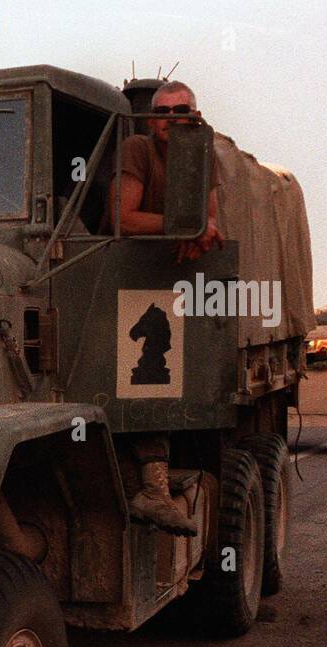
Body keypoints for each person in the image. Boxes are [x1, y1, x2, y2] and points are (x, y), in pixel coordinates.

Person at [107, 80, 224, 537]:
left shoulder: (200, 155)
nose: (171, 119)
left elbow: (211, 221)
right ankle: (152, 489)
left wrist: (196, 231)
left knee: (159, 371)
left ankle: (154, 489)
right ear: (150, 119)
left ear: (195, 115)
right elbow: (122, 217)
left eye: (181, 110)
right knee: (143, 374)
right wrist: (185, 228)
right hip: (119, 275)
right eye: (162, 112)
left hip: (163, 284)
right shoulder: (138, 148)